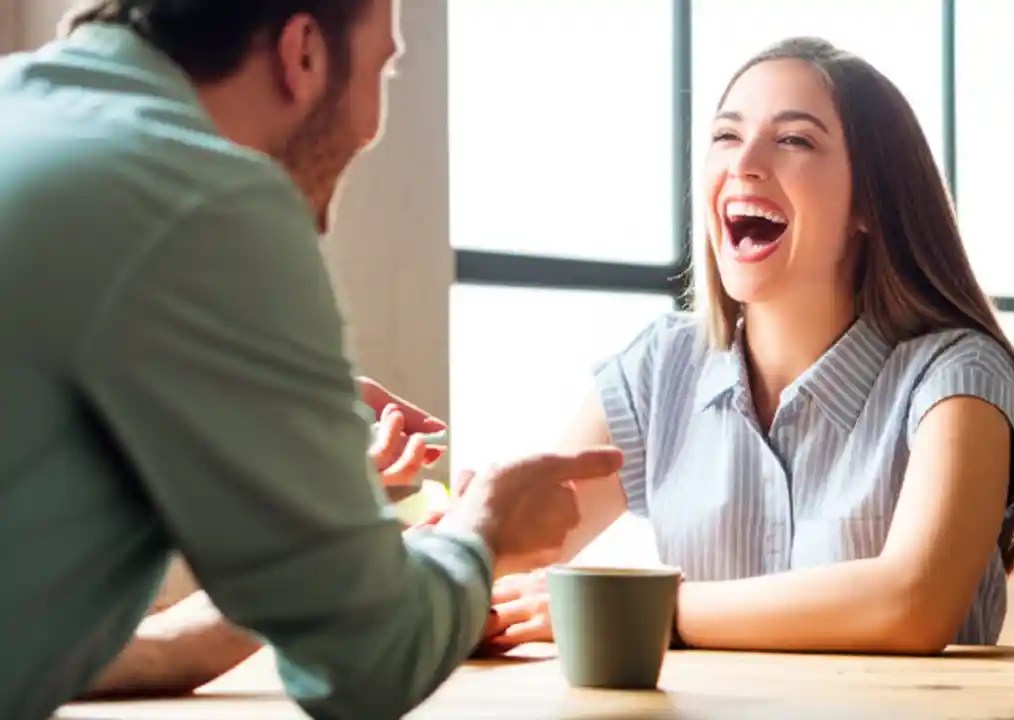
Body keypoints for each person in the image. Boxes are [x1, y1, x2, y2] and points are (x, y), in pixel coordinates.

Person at [0, 1, 621, 718]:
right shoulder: (199, 198)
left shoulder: (28, 116)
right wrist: (483, 530)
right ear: (302, 52)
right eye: (384, 66)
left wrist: (303, 516)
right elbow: (366, 664)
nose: (373, 125)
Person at [481, 36, 1014, 654]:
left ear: (870, 199)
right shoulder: (660, 367)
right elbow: (506, 563)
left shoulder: (957, 374)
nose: (745, 163)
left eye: (794, 140)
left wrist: (651, 611)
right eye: (726, 136)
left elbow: (913, 606)